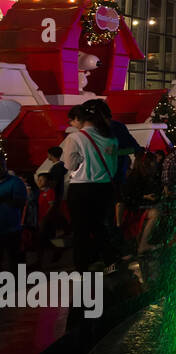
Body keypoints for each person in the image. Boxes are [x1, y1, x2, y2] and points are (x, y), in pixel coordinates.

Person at [58, 104, 119, 269]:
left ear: (81, 118)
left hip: (82, 189)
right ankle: (110, 261)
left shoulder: (75, 138)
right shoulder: (111, 137)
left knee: (80, 230)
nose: (72, 123)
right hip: (105, 188)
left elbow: (70, 165)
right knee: (100, 227)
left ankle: (82, 266)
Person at [0, 153, 28, 271]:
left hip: (11, 229)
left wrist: (4, 198)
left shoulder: (16, 182)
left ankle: (18, 283)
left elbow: (20, 203)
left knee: (15, 259)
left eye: (2, 165)